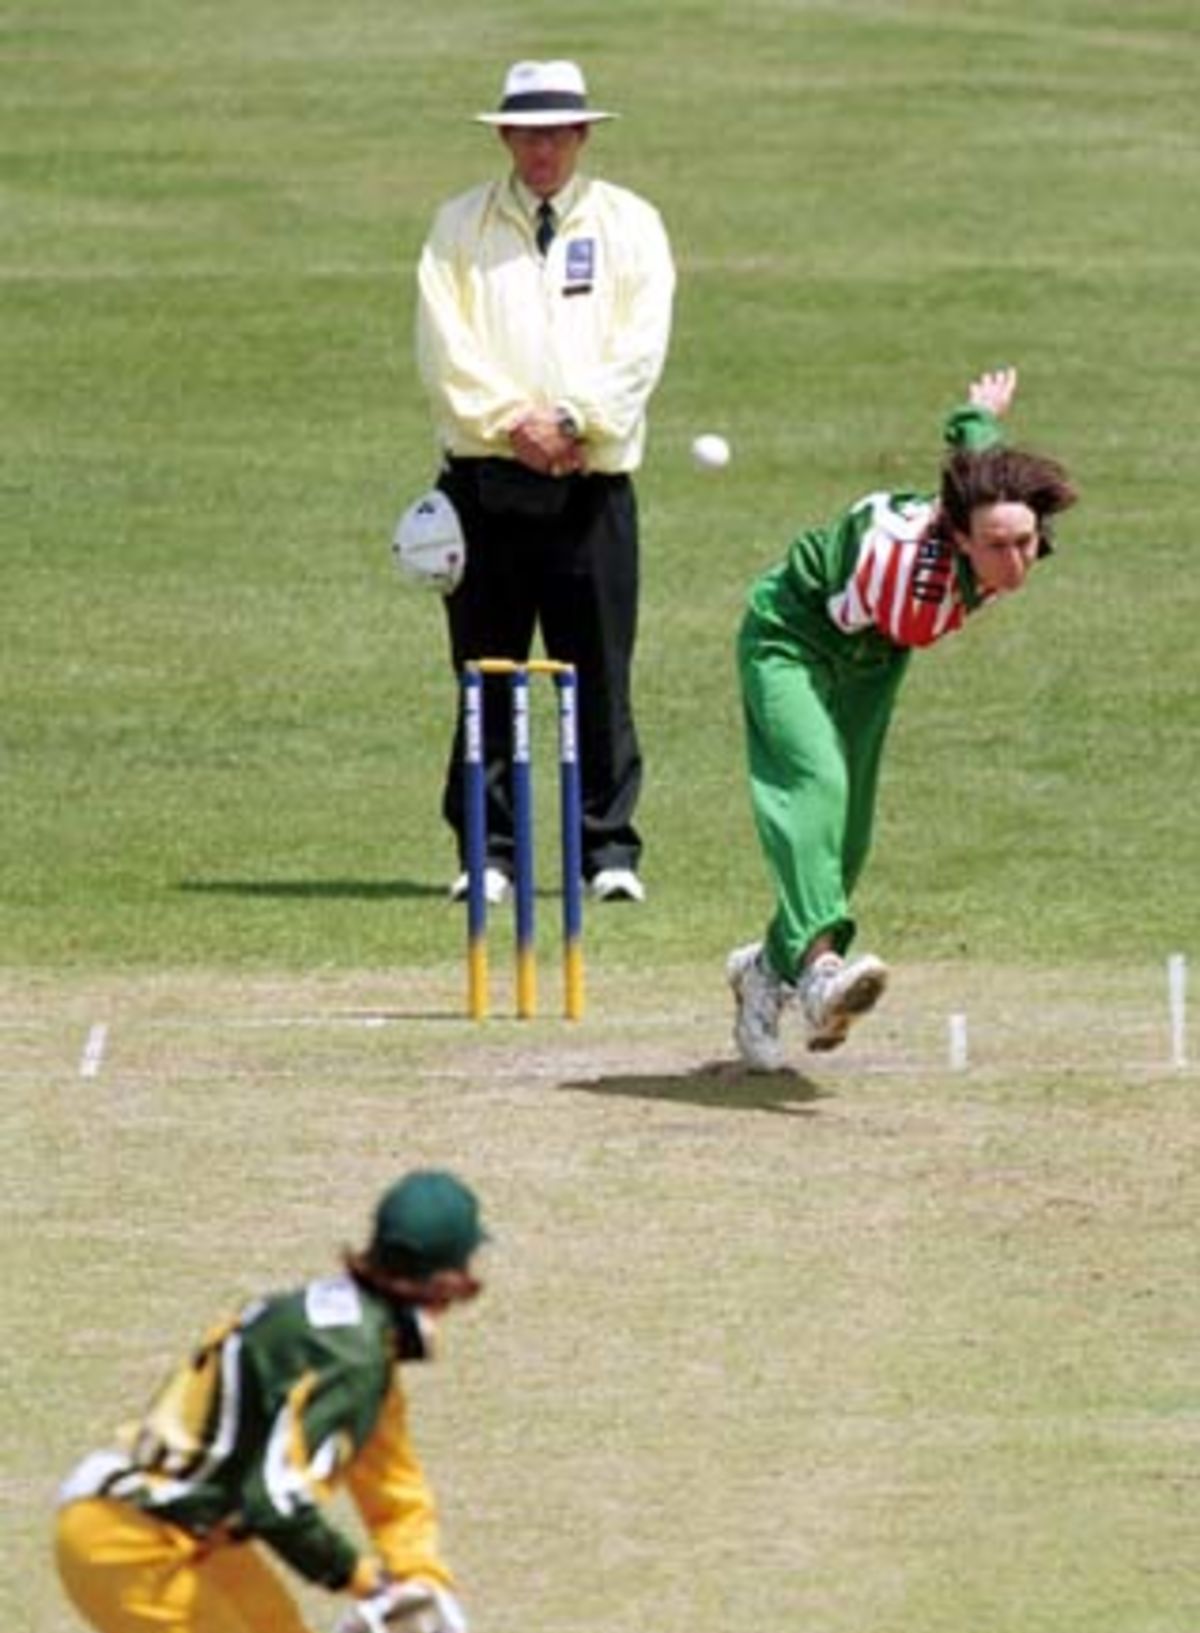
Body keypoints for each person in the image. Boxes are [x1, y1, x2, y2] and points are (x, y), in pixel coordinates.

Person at [54, 1170, 490, 1633]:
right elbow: (276, 1502)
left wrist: (422, 1581)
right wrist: (369, 1585)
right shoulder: (350, 1355)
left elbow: (392, 1484)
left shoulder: (347, 1333)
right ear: (447, 1279)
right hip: (132, 1541)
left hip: (192, 1539)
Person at [727, 368, 1078, 1070]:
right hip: (791, 637)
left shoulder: (988, 513)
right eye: (998, 546)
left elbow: (978, 461)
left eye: (1027, 541)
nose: (1016, 562)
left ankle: (764, 969)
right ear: (958, 535)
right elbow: (908, 592)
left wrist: (976, 412)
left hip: (874, 653)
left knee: (847, 838)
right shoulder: (914, 584)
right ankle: (821, 973)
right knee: (814, 787)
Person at [415, 59, 676, 906]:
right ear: (505, 136)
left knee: (597, 669)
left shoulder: (631, 224)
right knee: (485, 668)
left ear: (582, 135)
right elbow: (445, 348)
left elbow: (640, 348)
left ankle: (607, 851)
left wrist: (571, 421)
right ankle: (488, 853)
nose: (542, 148)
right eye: (527, 133)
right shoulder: (459, 225)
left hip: (591, 486)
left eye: (557, 132)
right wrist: (514, 426)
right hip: (485, 488)